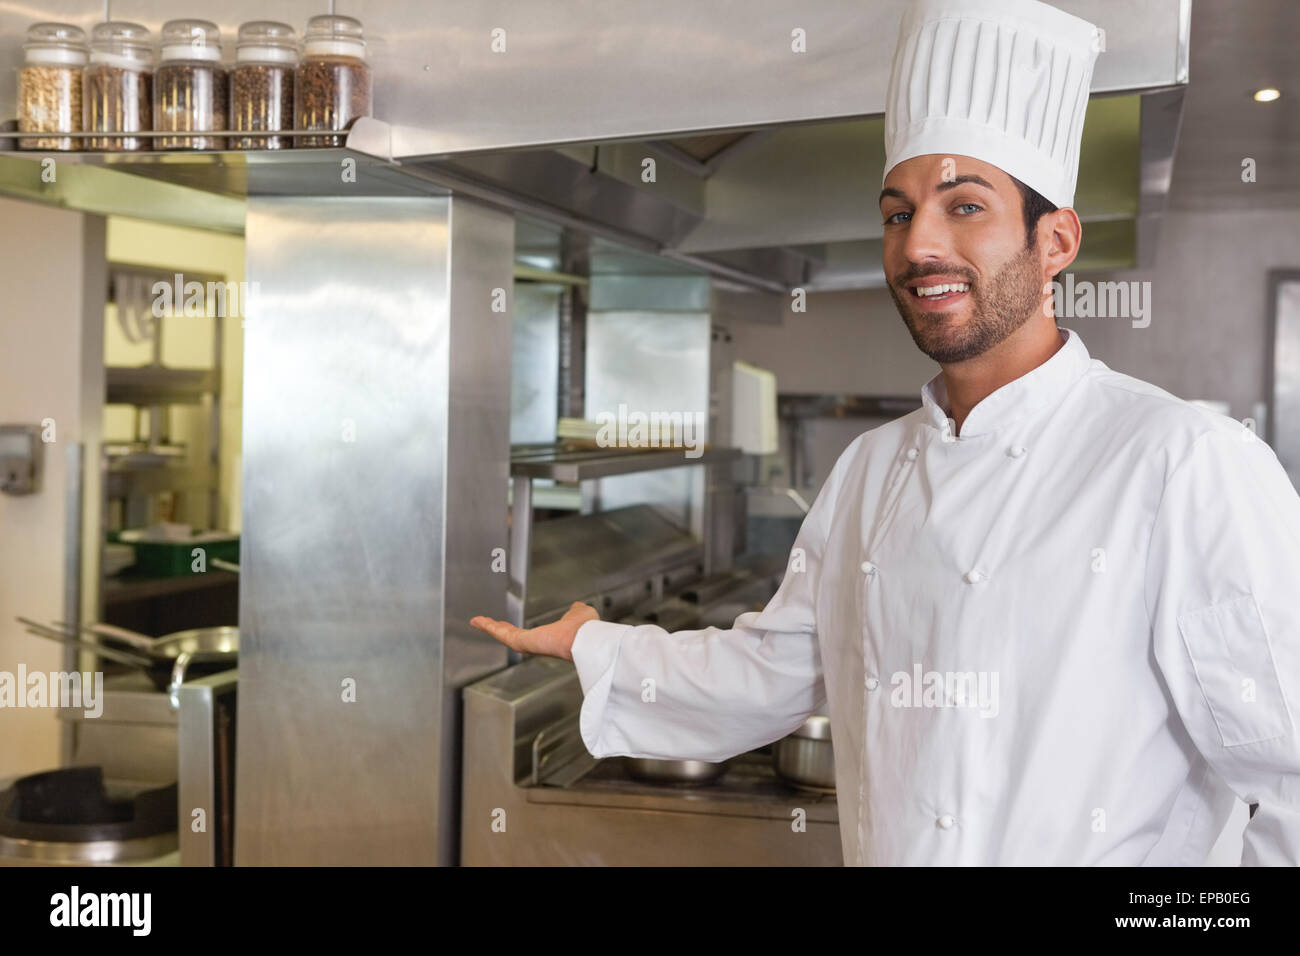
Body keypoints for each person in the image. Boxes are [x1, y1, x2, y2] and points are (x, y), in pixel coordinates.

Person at [472, 0, 1300, 865]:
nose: (919, 247)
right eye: (898, 213)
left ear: (1055, 241)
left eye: (965, 205)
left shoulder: (1183, 465)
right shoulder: (870, 470)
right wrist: (595, 645)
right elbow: (781, 671)